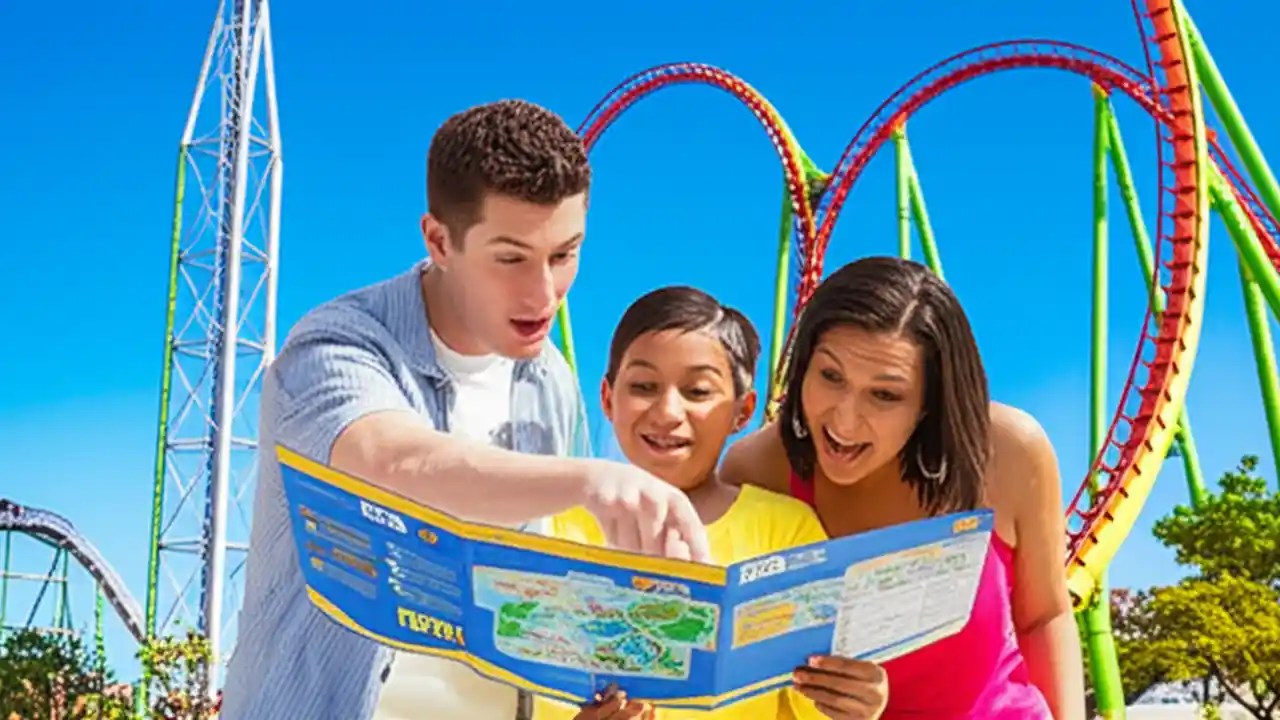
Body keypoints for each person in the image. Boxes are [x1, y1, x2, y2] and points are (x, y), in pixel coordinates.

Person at [220, 100, 713, 720]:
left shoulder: (551, 384)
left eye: (564, 255)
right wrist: (594, 479)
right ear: (439, 240)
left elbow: (529, 594)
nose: (543, 294)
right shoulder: (336, 346)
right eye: (511, 258)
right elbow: (390, 461)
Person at [720, 256, 1087, 720]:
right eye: (830, 377)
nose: (844, 420)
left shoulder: (1010, 452)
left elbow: (1044, 616)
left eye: (885, 395)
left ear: (930, 403)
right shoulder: (758, 470)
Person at [534, 286, 829, 720]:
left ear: (742, 412)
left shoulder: (787, 531)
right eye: (644, 386)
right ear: (607, 399)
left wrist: (855, 699)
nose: (668, 411)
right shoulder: (554, 526)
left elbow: (814, 703)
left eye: (697, 391)